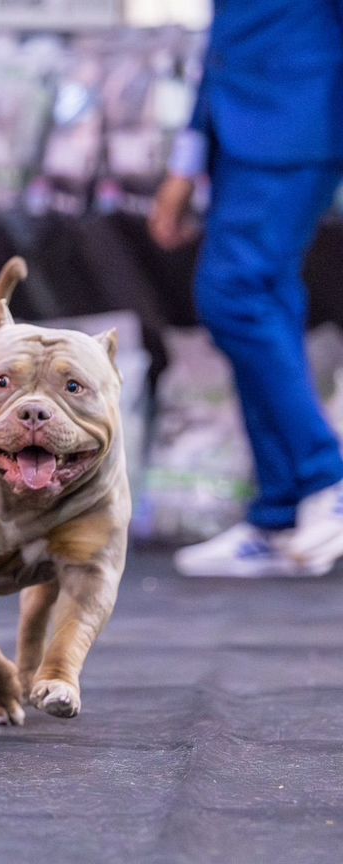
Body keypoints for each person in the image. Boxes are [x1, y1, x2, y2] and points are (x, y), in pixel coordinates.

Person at [149, 0, 343, 578]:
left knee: (235, 293)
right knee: (265, 298)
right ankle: (281, 512)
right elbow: (229, 32)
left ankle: (326, 479)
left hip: (298, 117)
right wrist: (186, 163)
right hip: (242, 128)